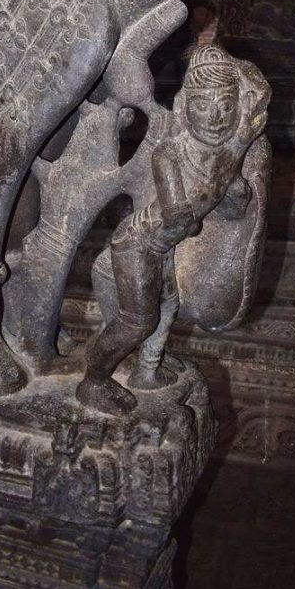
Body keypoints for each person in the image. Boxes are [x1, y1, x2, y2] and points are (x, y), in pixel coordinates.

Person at [76, 45, 269, 416]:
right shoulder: (170, 154)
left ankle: (147, 373)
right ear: (183, 108)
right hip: (138, 244)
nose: (214, 118)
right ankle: (94, 379)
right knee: (138, 320)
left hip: (161, 251)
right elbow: (180, 214)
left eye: (226, 107)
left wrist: (236, 188)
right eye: (202, 106)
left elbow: (231, 207)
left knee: (168, 306)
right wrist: (226, 171)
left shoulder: (223, 157)